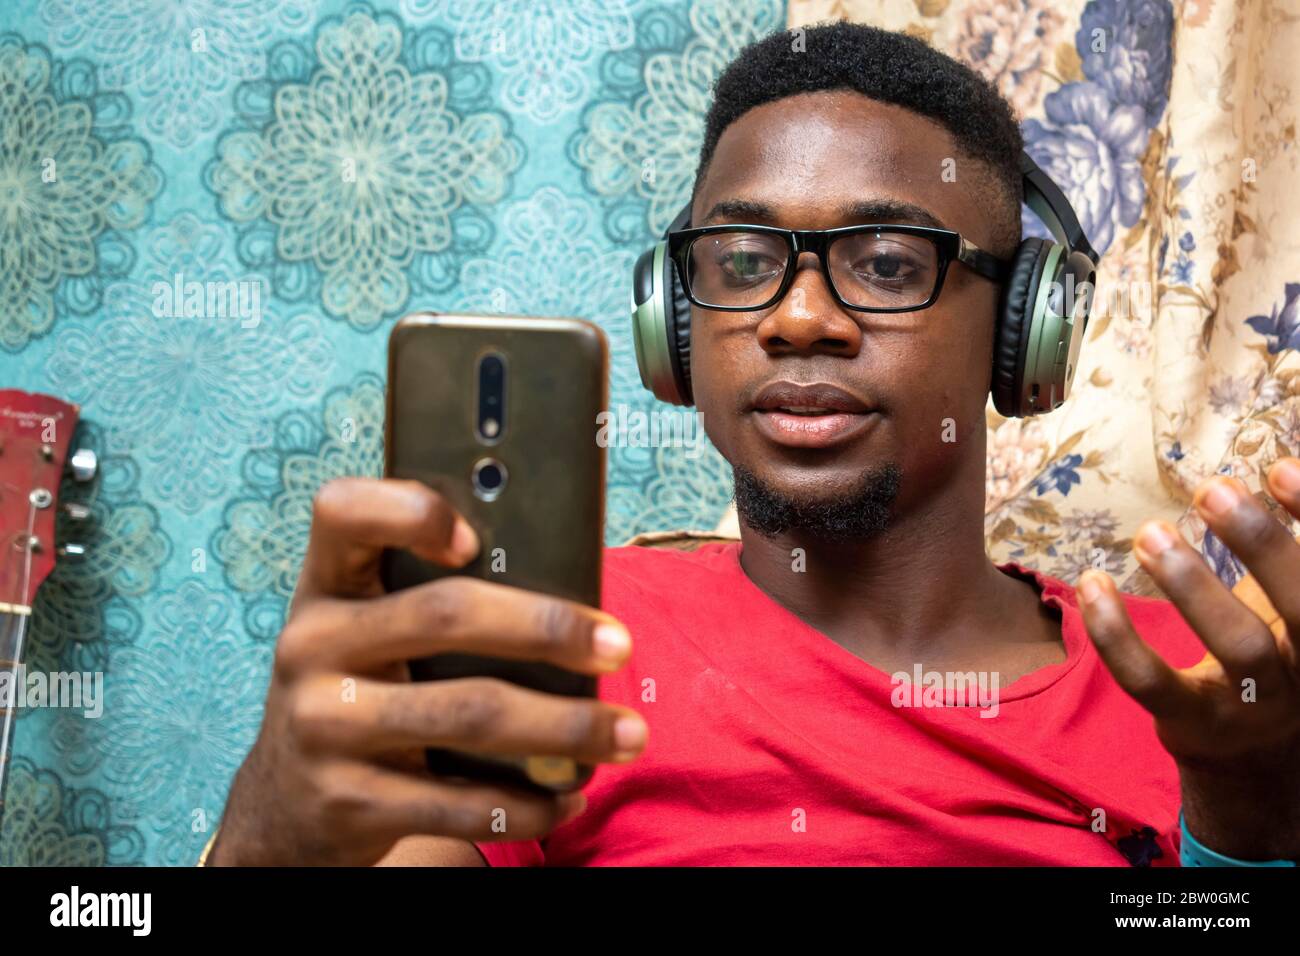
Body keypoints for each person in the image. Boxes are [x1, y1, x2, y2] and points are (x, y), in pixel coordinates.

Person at [208, 21, 1300, 866]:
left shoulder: (1216, 684)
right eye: (740, 261)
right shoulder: (557, 632)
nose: (794, 318)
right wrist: (275, 837)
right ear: (674, 327)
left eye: (883, 262)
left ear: (1024, 328)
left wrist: (1245, 816)